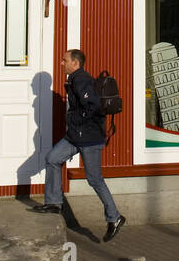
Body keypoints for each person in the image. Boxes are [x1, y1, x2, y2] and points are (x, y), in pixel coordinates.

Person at [32, 48, 126, 242]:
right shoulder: (74, 79)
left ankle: (114, 217)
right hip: (76, 136)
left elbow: (93, 106)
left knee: (94, 180)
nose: (62, 63)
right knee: (52, 158)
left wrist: (73, 118)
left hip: (90, 138)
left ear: (75, 63)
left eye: (64, 60)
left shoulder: (81, 79)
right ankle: (54, 203)